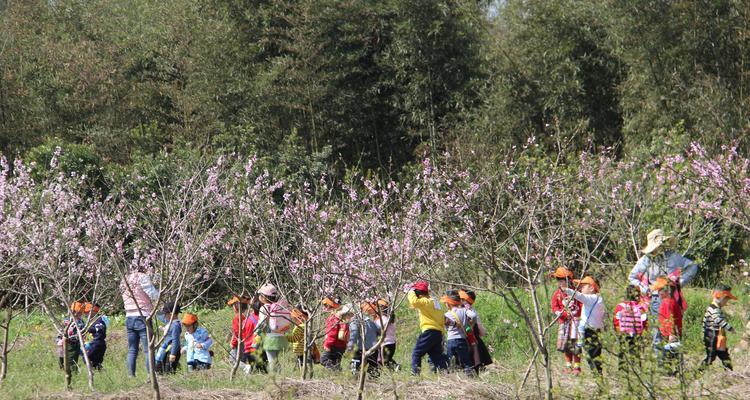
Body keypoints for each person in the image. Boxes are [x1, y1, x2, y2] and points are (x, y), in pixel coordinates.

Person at [628, 229, 698, 348]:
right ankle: (659, 362)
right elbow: (632, 277)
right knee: (658, 333)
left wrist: (680, 282)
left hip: (673, 298)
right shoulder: (647, 259)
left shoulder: (673, 257)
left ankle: (673, 362)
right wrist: (645, 289)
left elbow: (693, 266)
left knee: (675, 330)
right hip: (656, 298)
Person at [121, 268, 159, 377]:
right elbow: (152, 293)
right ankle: (150, 375)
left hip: (129, 316)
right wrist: (160, 294)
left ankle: (130, 375)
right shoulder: (142, 277)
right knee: (148, 349)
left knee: (132, 349)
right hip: (143, 315)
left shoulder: (125, 279)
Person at [565, 276, 604, 376]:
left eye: (583, 286)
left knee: (591, 357)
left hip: (589, 331)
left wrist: (565, 289)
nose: (580, 288)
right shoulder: (600, 299)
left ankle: (598, 378)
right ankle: (599, 377)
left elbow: (579, 296)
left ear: (591, 288)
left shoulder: (591, 299)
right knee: (595, 357)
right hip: (597, 331)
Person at [408, 280, 448, 375]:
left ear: (418, 292)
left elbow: (414, 302)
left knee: (416, 353)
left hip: (429, 331)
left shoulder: (425, 301)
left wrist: (410, 292)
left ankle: (415, 375)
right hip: (438, 332)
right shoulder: (435, 302)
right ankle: (445, 374)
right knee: (436, 356)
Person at [550, 267, 582, 376]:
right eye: (558, 280)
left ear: (568, 280)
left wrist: (579, 316)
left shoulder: (576, 292)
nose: (560, 282)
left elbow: (581, 304)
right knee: (566, 344)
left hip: (576, 321)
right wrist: (562, 314)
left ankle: (577, 366)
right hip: (564, 322)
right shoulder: (557, 294)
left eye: (562, 280)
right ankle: (568, 365)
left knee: (576, 343)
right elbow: (554, 307)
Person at [254, 283, 291, 372]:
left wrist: (256, 332)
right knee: (275, 359)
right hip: (281, 337)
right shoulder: (279, 307)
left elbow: (262, 323)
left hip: (270, 338)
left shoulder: (265, 308)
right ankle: (280, 376)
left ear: (263, 297)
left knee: (272, 361)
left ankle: (276, 378)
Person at [702, 284, 737, 371]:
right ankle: (699, 372)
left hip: (717, 336)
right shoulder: (714, 309)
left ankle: (729, 372)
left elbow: (704, 322)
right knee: (711, 356)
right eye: (726, 299)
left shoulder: (715, 308)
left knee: (724, 355)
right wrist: (730, 328)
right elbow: (718, 320)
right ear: (721, 297)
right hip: (712, 335)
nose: (726, 302)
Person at [653, 276, 684, 374]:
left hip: (670, 334)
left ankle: (669, 372)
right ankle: (673, 371)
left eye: (659, 290)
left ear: (667, 291)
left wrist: (671, 334)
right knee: (672, 354)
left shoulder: (667, 302)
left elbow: (671, 319)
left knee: (669, 354)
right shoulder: (669, 301)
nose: (658, 293)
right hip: (668, 333)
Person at [613, 285, 648, 372]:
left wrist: (617, 330)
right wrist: (645, 332)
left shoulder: (620, 306)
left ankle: (622, 369)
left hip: (623, 332)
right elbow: (644, 320)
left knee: (623, 351)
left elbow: (616, 320)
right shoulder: (640, 307)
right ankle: (636, 369)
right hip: (636, 332)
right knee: (635, 352)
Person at [443, 290, 476, 376]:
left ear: (449, 303)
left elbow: (444, 325)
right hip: (462, 339)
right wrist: (471, 325)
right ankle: (470, 375)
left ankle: (452, 376)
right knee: (465, 360)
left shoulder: (446, 314)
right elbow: (473, 316)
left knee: (451, 361)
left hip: (450, 340)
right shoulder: (464, 310)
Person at [459, 289, 492, 373]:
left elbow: (474, 325)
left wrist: (470, 331)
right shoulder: (472, 310)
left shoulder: (467, 311)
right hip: (473, 337)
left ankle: (474, 369)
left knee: (472, 356)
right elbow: (481, 328)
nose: (459, 301)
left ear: (465, 301)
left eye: (461, 299)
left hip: (470, 337)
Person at [228, 295, 260, 373]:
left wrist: (233, 343)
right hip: (252, 342)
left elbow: (237, 333)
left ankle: (246, 367)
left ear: (236, 307)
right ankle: (251, 369)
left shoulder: (237, 318)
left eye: (233, 305)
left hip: (241, 342)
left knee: (232, 359)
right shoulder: (251, 315)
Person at [348, 303, 381, 379]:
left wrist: (350, 346)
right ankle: (374, 379)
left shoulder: (355, 321)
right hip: (373, 347)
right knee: (373, 364)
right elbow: (379, 330)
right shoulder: (370, 320)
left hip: (361, 347)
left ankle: (354, 378)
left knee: (355, 362)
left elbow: (354, 333)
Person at [321, 296, 348, 370]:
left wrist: (327, 345)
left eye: (325, 305)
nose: (324, 307)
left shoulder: (333, 318)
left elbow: (332, 333)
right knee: (336, 362)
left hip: (334, 345)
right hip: (342, 346)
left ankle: (336, 370)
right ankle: (337, 373)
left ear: (330, 306)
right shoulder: (341, 317)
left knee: (323, 360)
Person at [372, 299, 399, 371]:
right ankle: (394, 370)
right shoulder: (389, 319)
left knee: (385, 361)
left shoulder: (383, 319)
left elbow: (377, 329)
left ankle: (396, 368)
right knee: (384, 360)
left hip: (386, 343)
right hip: (391, 342)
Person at [58, 302, 85, 371]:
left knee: (74, 357)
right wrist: (59, 339)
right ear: (73, 312)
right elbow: (61, 331)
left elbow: (83, 331)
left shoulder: (81, 321)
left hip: (76, 343)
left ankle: (73, 370)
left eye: (81, 313)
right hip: (67, 342)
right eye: (79, 313)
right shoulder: (67, 321)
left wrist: (83, 340)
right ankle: (67, 369)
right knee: (66, 357)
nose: (80, 314)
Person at [155, 302, 181, 374]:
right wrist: (156, 310)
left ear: (171, 314)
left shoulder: (175, 325)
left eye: (165, 314)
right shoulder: (170, 321)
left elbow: (176, 340)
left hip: (172, 349)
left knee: (168, 369)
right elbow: (160, 316)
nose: (164, 316)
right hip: (166, 348)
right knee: (161, 365)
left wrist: (173, 353)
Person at [83, 303, 109, 370]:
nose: (86, 314)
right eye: (85, 312)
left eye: (88, 312)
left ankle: (93, 372)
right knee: (96, 363)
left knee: (86, 358)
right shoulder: (92, 321)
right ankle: (98, 372)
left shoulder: (98, 321)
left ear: (94, 312)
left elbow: (101, 332)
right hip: (97, 344)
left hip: (96, 344)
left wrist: (93, 341)